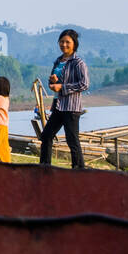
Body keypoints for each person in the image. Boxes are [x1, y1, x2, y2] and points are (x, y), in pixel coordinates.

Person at [38, 29, 89, 169]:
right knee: (46, 135)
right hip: (59, 106)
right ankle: (44, 167)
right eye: (61, 41)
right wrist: (53, 82)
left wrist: (62, 87)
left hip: (71, 107)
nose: (64, 44)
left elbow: (84, 84)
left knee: (72, 140)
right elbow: (54, 84)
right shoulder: (57, 61)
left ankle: (79, 170)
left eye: (67, 42)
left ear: (74, 44)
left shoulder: (78, 63)